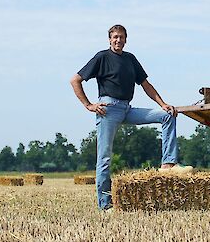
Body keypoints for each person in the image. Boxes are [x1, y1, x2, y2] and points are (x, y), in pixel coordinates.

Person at [70, 24, 188, 210]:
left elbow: (146, 84)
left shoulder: (130, 59)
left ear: (126, 39)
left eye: (122, 37)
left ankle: (168, 164)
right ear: (109, 39)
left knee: (167, 116)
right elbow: (75, 80)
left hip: (127, 108)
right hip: (108, 110)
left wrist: (163, 104)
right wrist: (89, 105)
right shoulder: (102, 57)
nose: (118, 40)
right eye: (115, 37)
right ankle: (105, 205)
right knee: (104, 159)